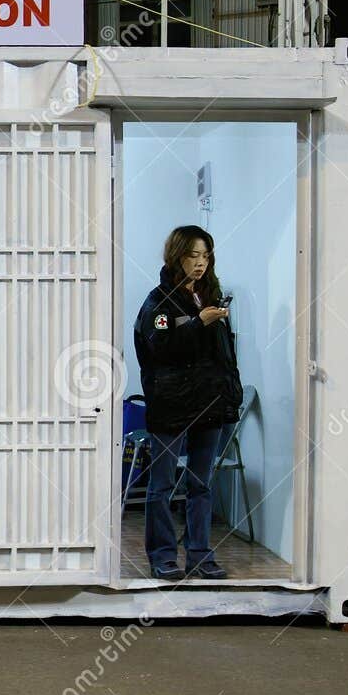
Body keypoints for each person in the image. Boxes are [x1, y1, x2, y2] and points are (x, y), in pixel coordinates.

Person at [132, 225, 243, 582]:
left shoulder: (211, 296)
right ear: (176, 256)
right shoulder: (158, 302)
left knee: (201, 484)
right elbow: (160, 349)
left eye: (205, 255)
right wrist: (198, 323)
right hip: (172, 407)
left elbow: (224, 356)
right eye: (193, 255)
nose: (200, 263)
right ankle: (163, 557)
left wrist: (231, 396)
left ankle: (199, 555)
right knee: (161, 485)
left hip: (210, 405)